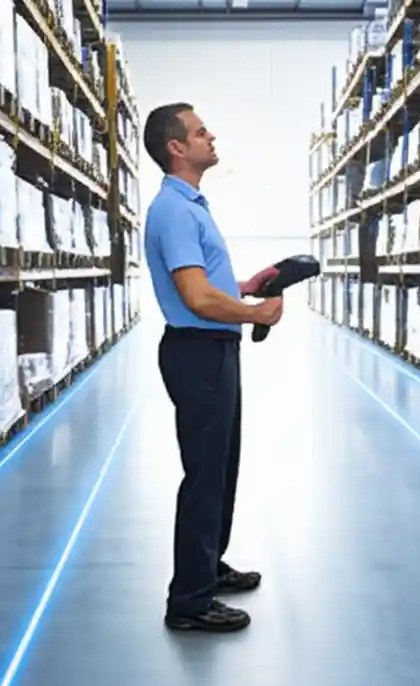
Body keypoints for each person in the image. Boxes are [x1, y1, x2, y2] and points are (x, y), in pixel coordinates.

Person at [143, 102, 283, 633]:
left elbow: (208, 284)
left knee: (222, 467)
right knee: (204, 476)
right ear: (177, 148)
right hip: (198, 352)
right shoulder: (175, 210)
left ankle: (208, 567)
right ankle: (189, 602)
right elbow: (197, 297)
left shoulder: (192, 205)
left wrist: (245, 286)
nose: (211, 137)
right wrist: (254, 313)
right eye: (201, 132)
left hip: (213, 352)